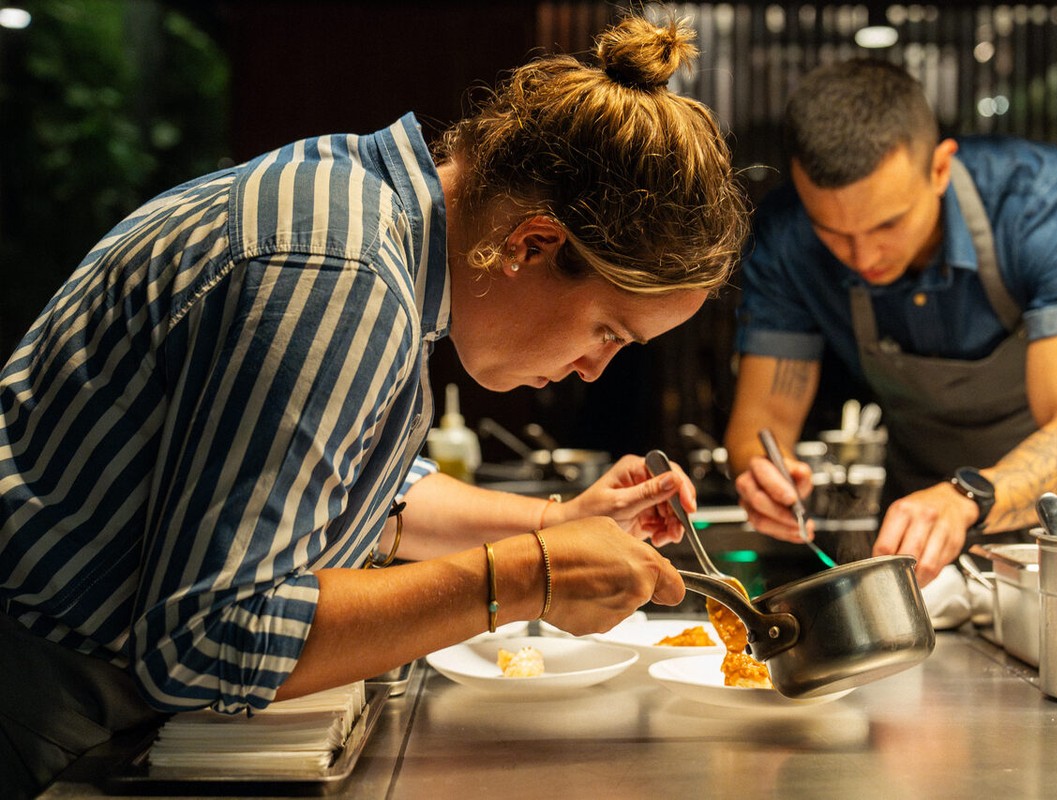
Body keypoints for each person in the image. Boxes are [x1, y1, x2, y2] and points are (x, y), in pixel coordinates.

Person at [0, 16, 749, 797]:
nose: (594, 370)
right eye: (608, 331)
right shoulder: (336, 273)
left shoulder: (367, 209)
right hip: (39, 708)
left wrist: (550, 526)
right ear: (533, 244)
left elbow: (345, 486)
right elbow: (208, 636)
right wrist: (526, 578)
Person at [724, 58, 1057, 587]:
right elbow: (760, 426)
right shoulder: (787, 239)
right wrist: (762, 477)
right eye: (833, 231)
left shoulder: (1049, 201)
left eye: (888, 224)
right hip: (918, 543)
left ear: (940, 169)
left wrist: (967, 498)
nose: (862, 255)